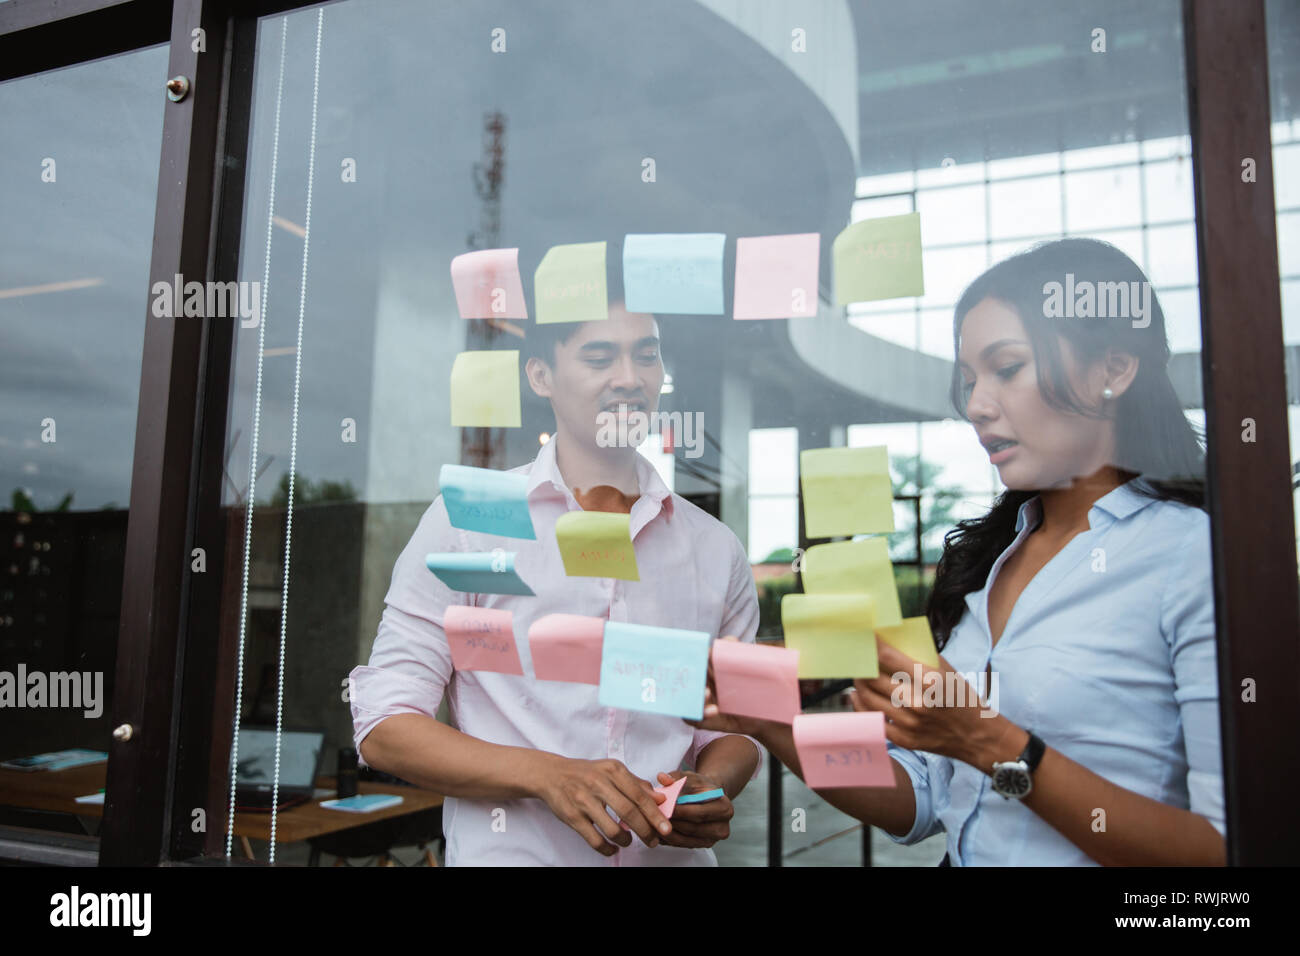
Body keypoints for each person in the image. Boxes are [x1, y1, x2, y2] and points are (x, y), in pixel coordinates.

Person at [693, 238, 1227, 866]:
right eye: (969, 380)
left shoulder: (1192, 558)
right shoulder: (994, 560)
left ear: (1113, 370)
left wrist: (988, 741)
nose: (975, 406)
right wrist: (771, 723)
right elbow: (919, 795)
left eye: (1006, 369)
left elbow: (1221, 854)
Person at [349, 301, 763, 866]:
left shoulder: (714, 548)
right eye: (600, 356)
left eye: (647, 355)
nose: (630, 377)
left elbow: (738, 727)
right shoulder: (471, 519)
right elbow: (386, 725)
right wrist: (547, 775)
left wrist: (711, 784)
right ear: (540, 375)